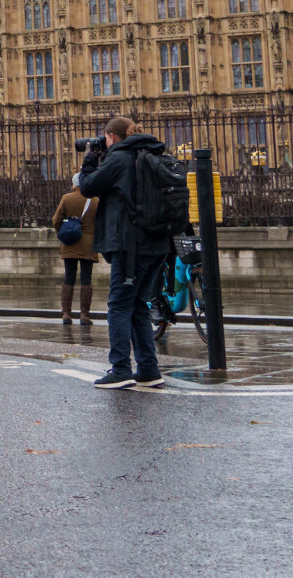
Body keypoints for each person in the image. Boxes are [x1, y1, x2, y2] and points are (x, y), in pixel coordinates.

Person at [76, 113, 175, 389]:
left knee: (119, 306)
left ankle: (120, 368)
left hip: (131, 246)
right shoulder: (151, 154)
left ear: (112, 137)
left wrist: (88, 160)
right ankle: (148, 368)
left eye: (105, 139)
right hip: (158, 245)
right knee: (137, 307)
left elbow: (87, 187)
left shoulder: (120, 158)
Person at [50, 180, 97, 327]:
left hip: (70, 243)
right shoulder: (95, 201)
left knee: (69, 277)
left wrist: (62, 234)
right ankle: (84, 315)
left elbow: (55, 220)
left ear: (75, 185)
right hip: (88, 244)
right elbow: (101, 222)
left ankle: (66, 314)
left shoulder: (67, 198)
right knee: (86, 278)